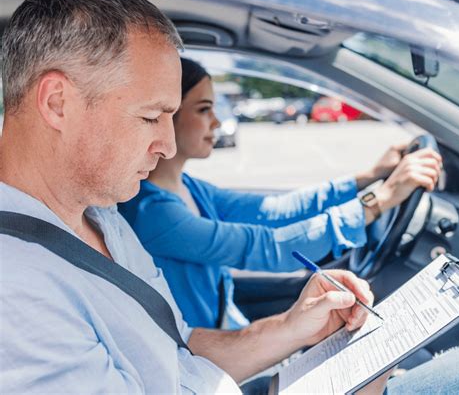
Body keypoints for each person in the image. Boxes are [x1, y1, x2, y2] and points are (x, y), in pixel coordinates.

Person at [1, 0, 459, 395]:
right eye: (150, 117)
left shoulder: (101, 217)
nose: (166, 145)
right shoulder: (17, 293)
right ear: (58, 103)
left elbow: (179, 350)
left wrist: (291, 328)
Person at [119, 57, 442, 329]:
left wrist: (368, 178)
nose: (217, 122)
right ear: (167, 114)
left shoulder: (189, 186)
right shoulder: (152, 212)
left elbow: (275, 208)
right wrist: (379, 201)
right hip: (202, 352)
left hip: (225, 323)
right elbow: (269, 248)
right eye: (204, 110)